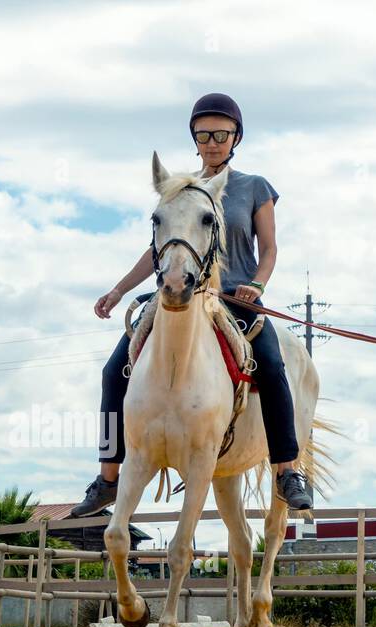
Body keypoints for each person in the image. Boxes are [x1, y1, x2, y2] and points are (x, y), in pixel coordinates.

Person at [71, 92, 314, 518]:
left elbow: (270, 249)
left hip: (237, 297)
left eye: (221, 134)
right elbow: (160, 249)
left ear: (236, 136)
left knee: (274, 368)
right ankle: (108, 476)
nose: (212, 142)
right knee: (113, 370)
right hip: (179, 289)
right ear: (194, 138)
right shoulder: (179, 188)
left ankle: (286, 470)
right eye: (204, 135)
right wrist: (118, 291)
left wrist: (256, 285)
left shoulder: (254, 187)